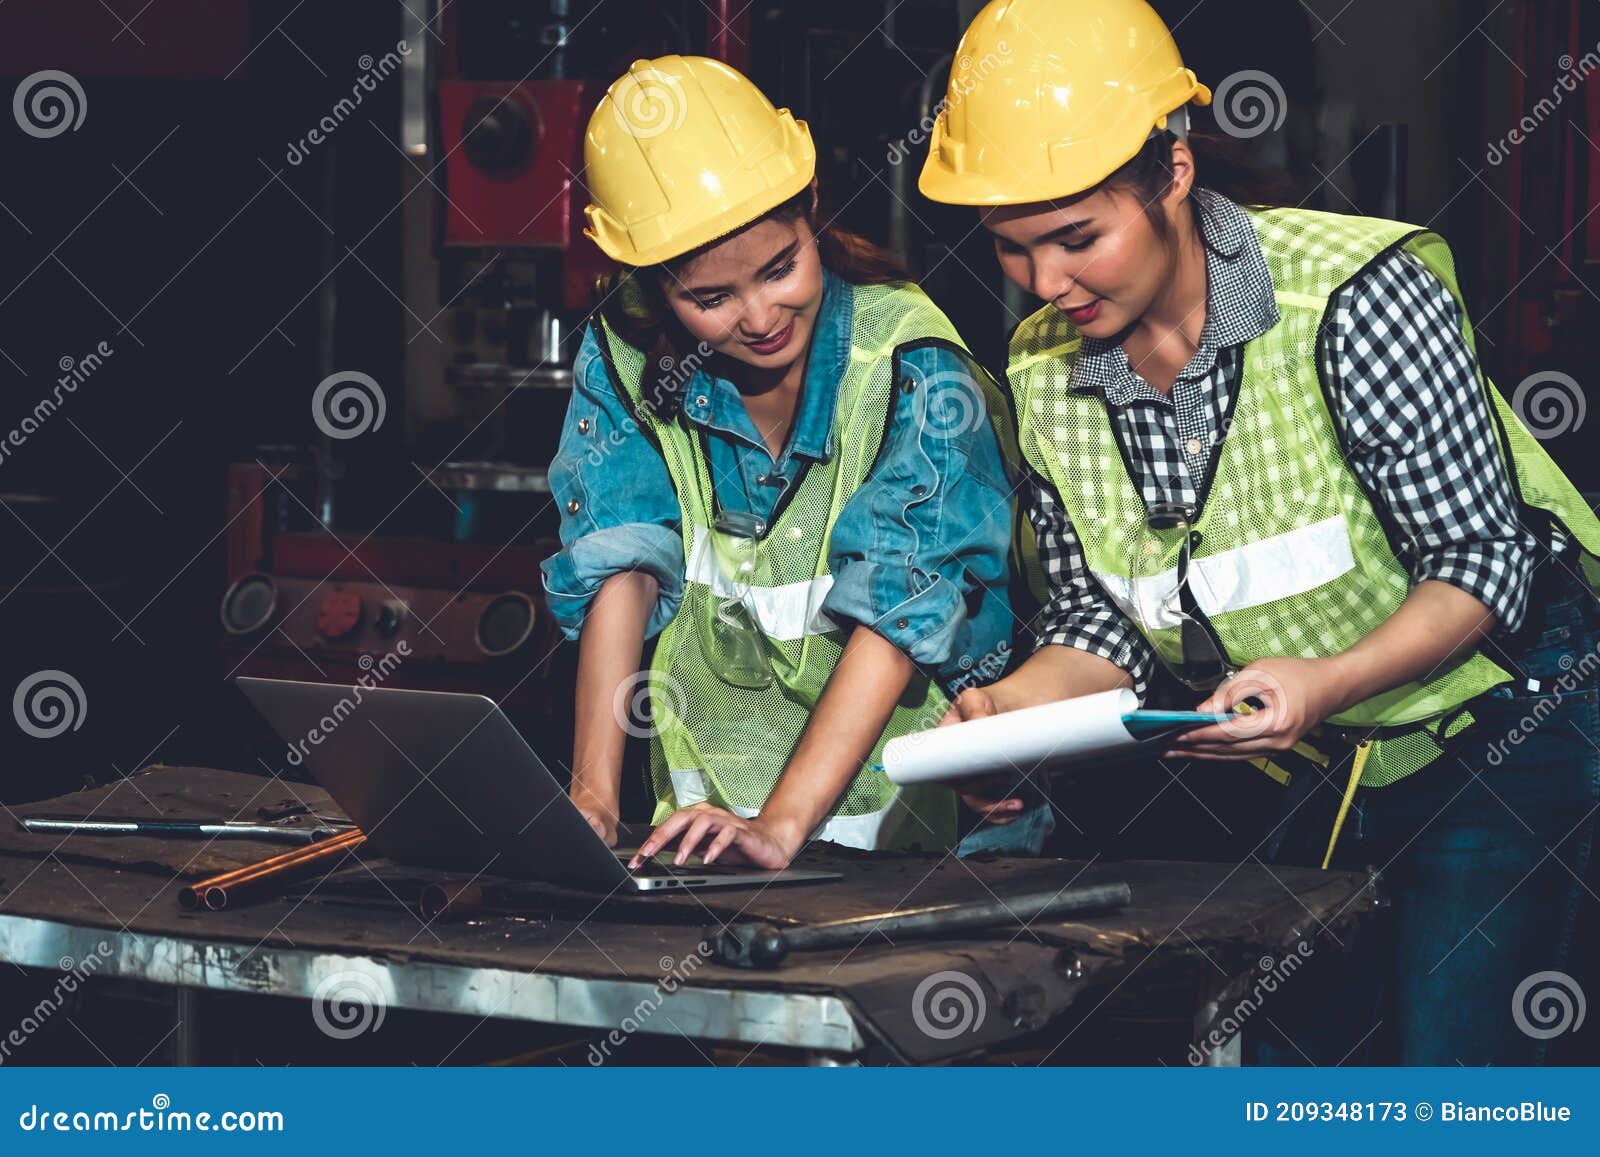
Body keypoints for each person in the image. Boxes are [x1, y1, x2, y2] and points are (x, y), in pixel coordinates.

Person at [918, 0, 1600, 1064]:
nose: (1046, 284)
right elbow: (1105, 609)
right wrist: (1012, 710)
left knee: (1447, 1056)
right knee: (1278, 1059)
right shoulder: (1045, 366)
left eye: (1076, 237)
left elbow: (1478, 560)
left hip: (1503, 720)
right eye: (1012, 249)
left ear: (1174, 173)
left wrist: (1323, 680)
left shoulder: (1357, 295)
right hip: (1324, 758)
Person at [540, 56, 1020, 871]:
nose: (761, 317)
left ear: (813, 211)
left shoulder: (910, 362)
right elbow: (621, 561)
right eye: (711, 299)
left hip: (914, 848)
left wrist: (782, 826)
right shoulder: (623, 355)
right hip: (707, 834)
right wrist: (594, 797)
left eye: (780, 267)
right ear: (652, 290)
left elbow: (898, 610)